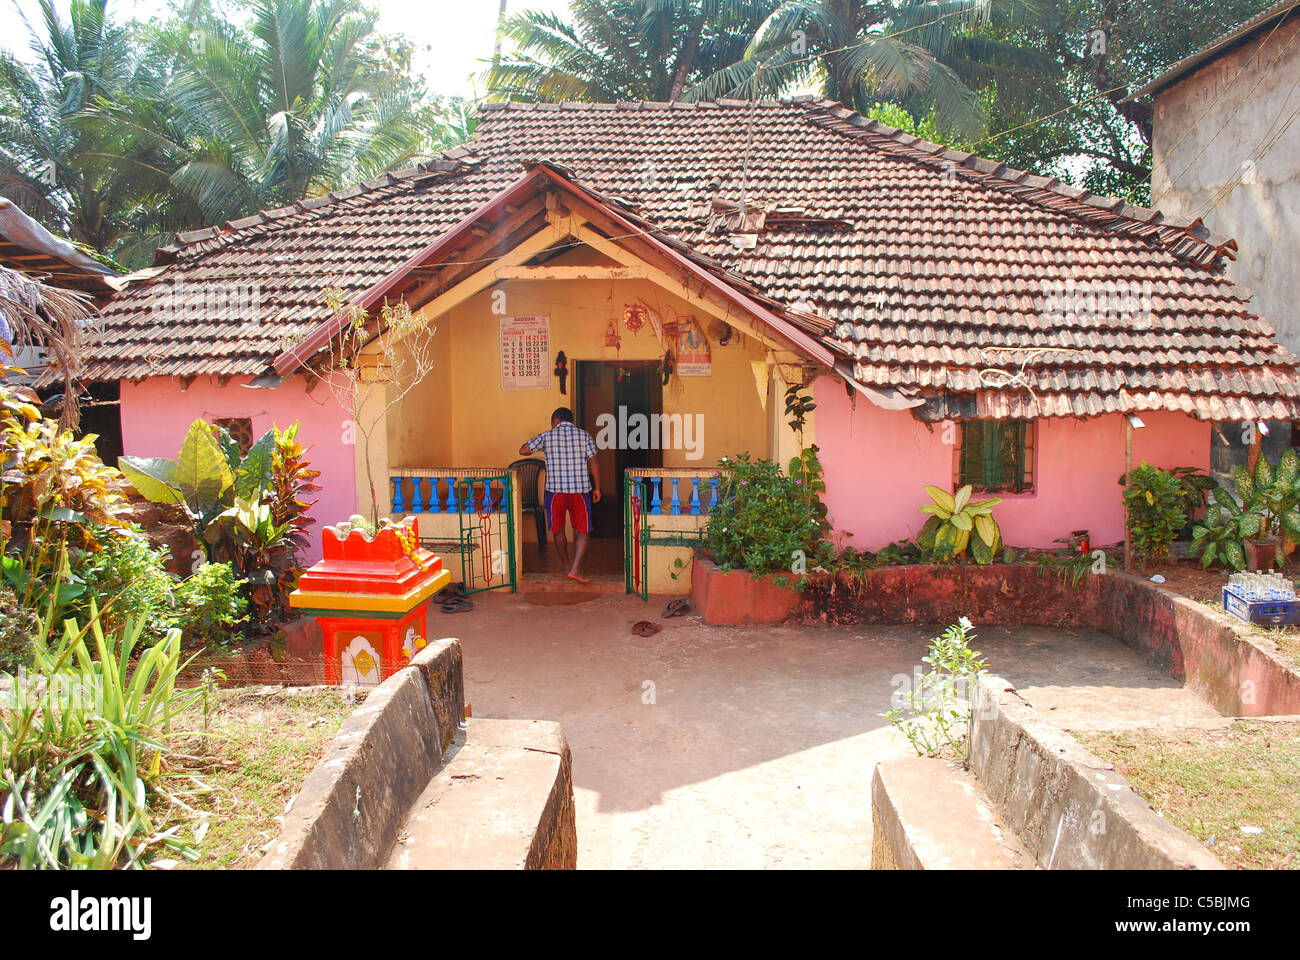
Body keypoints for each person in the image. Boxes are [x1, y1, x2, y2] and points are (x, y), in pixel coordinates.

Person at [519, 407, 602, 583]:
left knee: (558, 529)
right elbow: (594, 461)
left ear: (555, 421)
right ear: (571, 421)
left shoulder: (547, 436)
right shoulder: (584, 435)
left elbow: (524, 451)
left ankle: (565, 566)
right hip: (580, 490)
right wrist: (597, 488)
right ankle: (574, 570)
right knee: (583, 530)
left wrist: (533, 442)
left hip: (555, 491)